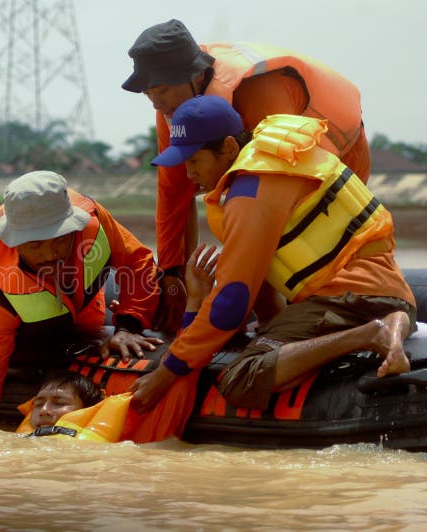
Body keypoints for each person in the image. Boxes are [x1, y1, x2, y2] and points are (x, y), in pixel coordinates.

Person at [129, 95, 416, 421]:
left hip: (351, 301)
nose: (187, 172)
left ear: (227, 147)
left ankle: (370, 334)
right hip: (390, 292)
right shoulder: (282, 156)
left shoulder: (250, 193)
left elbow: (230, 305)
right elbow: (264, 279)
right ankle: (388, 323)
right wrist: (270, 329)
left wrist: (165, 374)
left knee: (241, 377)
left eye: (194, 160)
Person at [121, 19, 371, 334]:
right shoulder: (171, 112)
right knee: (241, 221)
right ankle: (270, 323)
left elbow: (277, 192)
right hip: (260, 164)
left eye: (161, 90)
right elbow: (173, 192)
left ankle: (310, 320)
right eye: (148, 93)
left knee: (273, 232)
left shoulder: (259, 94)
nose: (156, 102)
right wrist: (173, 274)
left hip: (328, 152)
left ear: (195, 76)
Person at [0, 170, 162, 432]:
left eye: (58, 239)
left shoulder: (93, 221)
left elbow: (139, 263)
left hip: (68, 292)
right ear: (17, 242)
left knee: (76, 339)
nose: (50, 254)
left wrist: (128, 326)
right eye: (35, 245)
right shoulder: (1, 286)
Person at [16, 243, 220, 444]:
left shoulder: (147, 439)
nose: (43, 411)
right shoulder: (24, 439)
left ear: (90, 409)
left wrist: (195, 300)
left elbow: (187, 364)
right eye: (39, 403)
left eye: (60, 403)